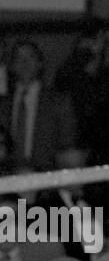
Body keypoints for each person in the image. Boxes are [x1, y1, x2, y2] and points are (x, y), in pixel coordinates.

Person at [1, 40, 78, 173]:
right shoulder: (3, 105)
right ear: (12, 65)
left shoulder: (58, 102)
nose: (25, 63)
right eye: (19, 58)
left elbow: (67, 145)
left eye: (30, 57)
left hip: (47, 180)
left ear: (40, 63)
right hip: (8, 180)